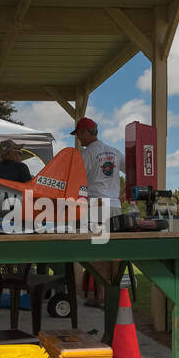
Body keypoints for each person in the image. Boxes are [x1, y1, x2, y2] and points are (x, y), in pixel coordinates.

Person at [71, 117, 125, 306]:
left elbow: (76, 182)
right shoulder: (115, 152)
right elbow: (133, 171)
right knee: (114, 250)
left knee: (98, 251)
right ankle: (114, 292)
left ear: (86, 132)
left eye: (78, 134)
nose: (78, 138)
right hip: (115, 206)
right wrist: (123, 194)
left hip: (96, 205)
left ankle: (101, 296)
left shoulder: (85, 155)